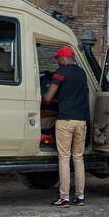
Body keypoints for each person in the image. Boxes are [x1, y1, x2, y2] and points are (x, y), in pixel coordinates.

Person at [42, 45, 90, 206]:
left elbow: (49, 97)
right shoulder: (82, 73)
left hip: (65, 121)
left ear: (64, 58)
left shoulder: (61, 72)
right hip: (81, 121)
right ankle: (80, 197)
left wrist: (46, 98)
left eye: (59, 59)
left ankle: (64, 197)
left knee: (64, 158)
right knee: (78, 158)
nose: (58, 62)